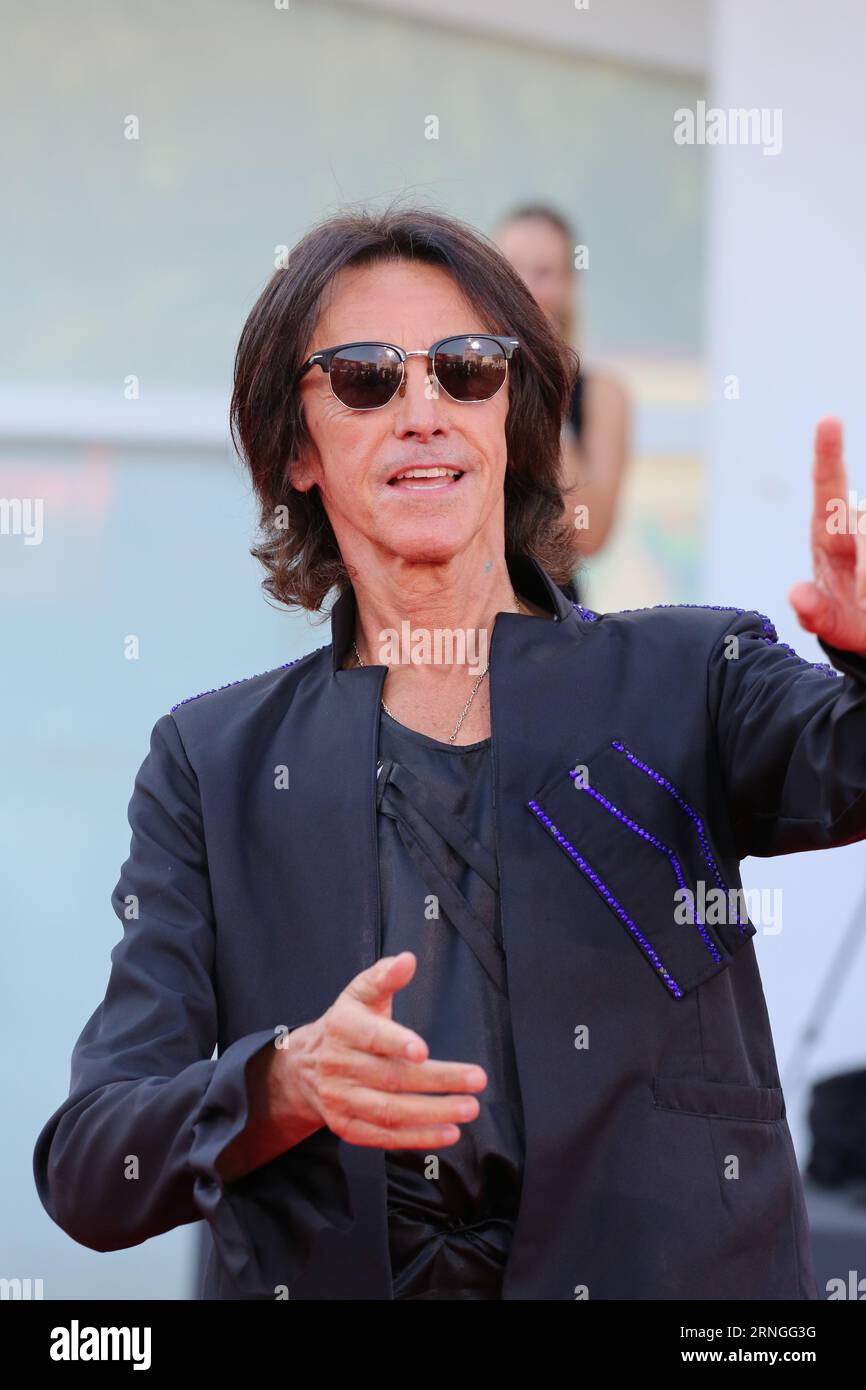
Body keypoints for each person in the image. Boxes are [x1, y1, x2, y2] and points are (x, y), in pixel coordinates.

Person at [33, 204, 866, 1301]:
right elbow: (95, 1166)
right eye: (367, 378)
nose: (424, 410)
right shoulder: (213, 762)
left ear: (509, 411)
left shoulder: (691, 675)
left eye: (467, 369)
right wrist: (287, 1082)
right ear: (294, 450)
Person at [494, 204, 630, 604]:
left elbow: (591, 533)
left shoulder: (602, 394)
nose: (526, 289)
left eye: (545, 273)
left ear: (570, 286)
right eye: (511, 270)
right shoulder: (456, 382)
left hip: (550, 613)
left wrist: (541, 382)